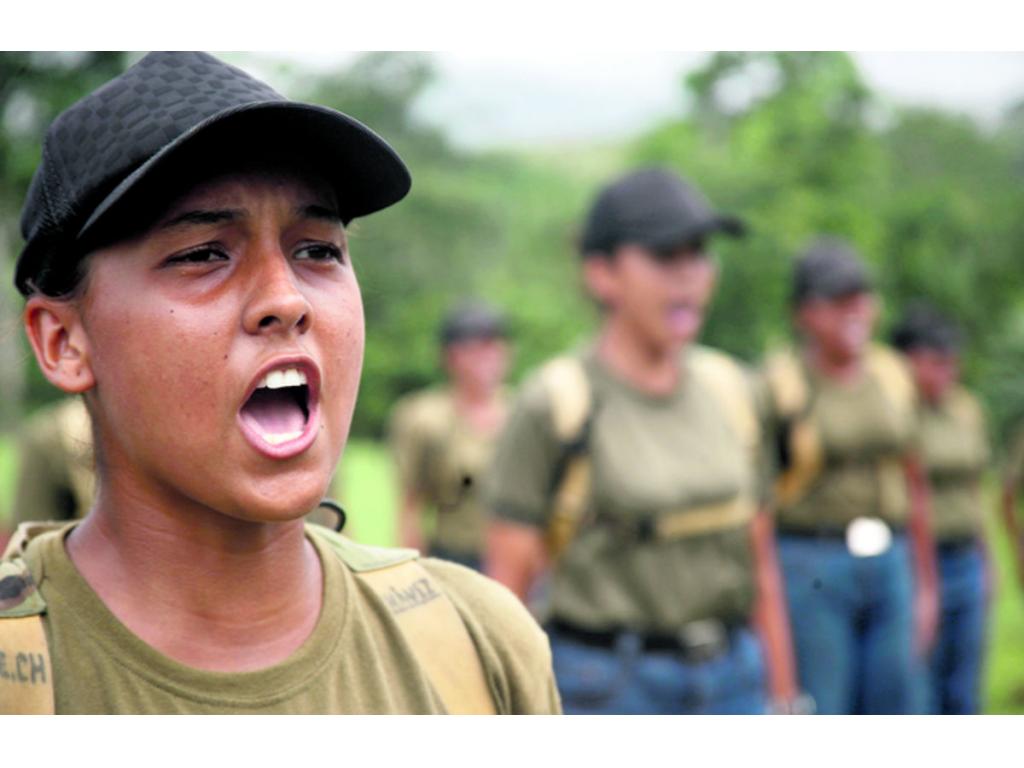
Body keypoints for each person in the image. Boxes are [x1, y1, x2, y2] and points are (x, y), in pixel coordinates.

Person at [0, 51, 559, 715]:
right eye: (204, 255)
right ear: (65, 343)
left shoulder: (479, 643)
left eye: (317, 249)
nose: (286, 299)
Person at [484, 167, 798, 715]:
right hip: (606, 687)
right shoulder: (556, 403)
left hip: (734, 678)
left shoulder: (737, 391)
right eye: (664, 256)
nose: (689, 275)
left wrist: (785, 696)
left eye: (699, 253)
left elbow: (762, 563)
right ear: (602, 273)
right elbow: (506, 589)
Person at [758, 238, 937, 714]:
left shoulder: (892, 376)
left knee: (895, 704)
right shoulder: (781, 387)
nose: (853, 310)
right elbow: (755, 508)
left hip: (890, 556)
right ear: (804, 313)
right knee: (824, 703)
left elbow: (914, 480)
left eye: (861, 296)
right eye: (837, 301)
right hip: (812, 560)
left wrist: (928, 586)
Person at [891, 303, 991, 714]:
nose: (947, 373)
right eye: (936, 362)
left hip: (965, 558)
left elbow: (975, 486)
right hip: (916, 563)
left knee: (964, 686)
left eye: (952, 363)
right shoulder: (894, 412)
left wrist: (988, 561)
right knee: (920, 688)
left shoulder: (965, 410)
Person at [389, 301, 510, 571]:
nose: (488, 357)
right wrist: (409, 571)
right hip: (454, 557)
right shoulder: (425, 418)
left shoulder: (523, 413)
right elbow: (410, 506)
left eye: (494, 346)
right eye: (474, 349)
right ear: (451, 356)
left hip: (512, 558)